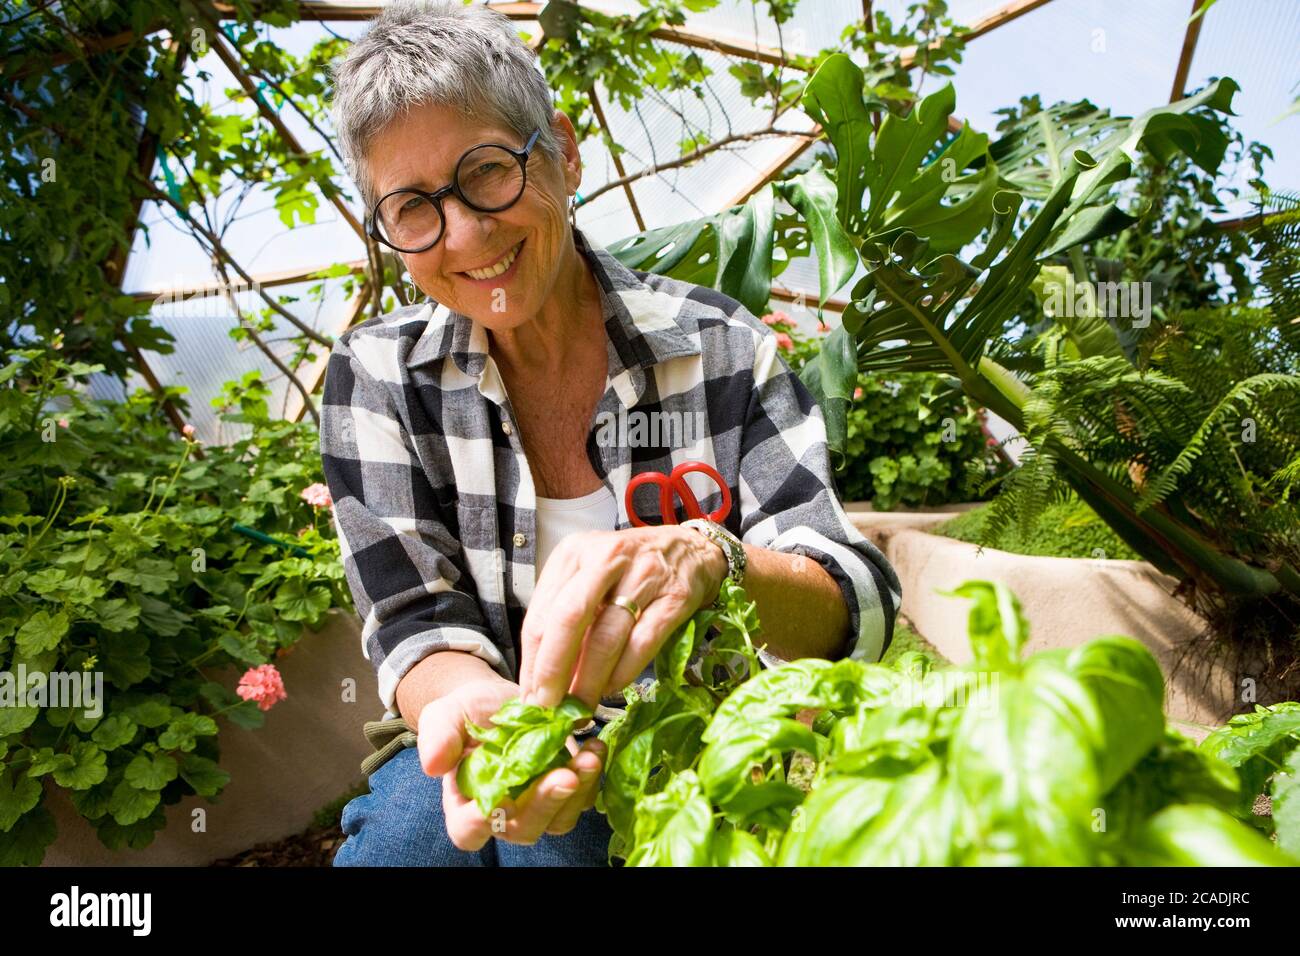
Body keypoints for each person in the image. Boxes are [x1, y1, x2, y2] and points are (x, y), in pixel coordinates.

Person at [321, 0, 900, 867]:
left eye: (486, 172)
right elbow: (417, 619)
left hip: (704, 737)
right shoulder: (378, 377)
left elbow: (855, 597)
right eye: (413, 208)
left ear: (562, 149)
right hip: (488, 713)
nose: (468, 233)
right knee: (410, 842)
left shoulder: (718, 347)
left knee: (557, 854)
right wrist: (483, 709)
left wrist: (712, 559)